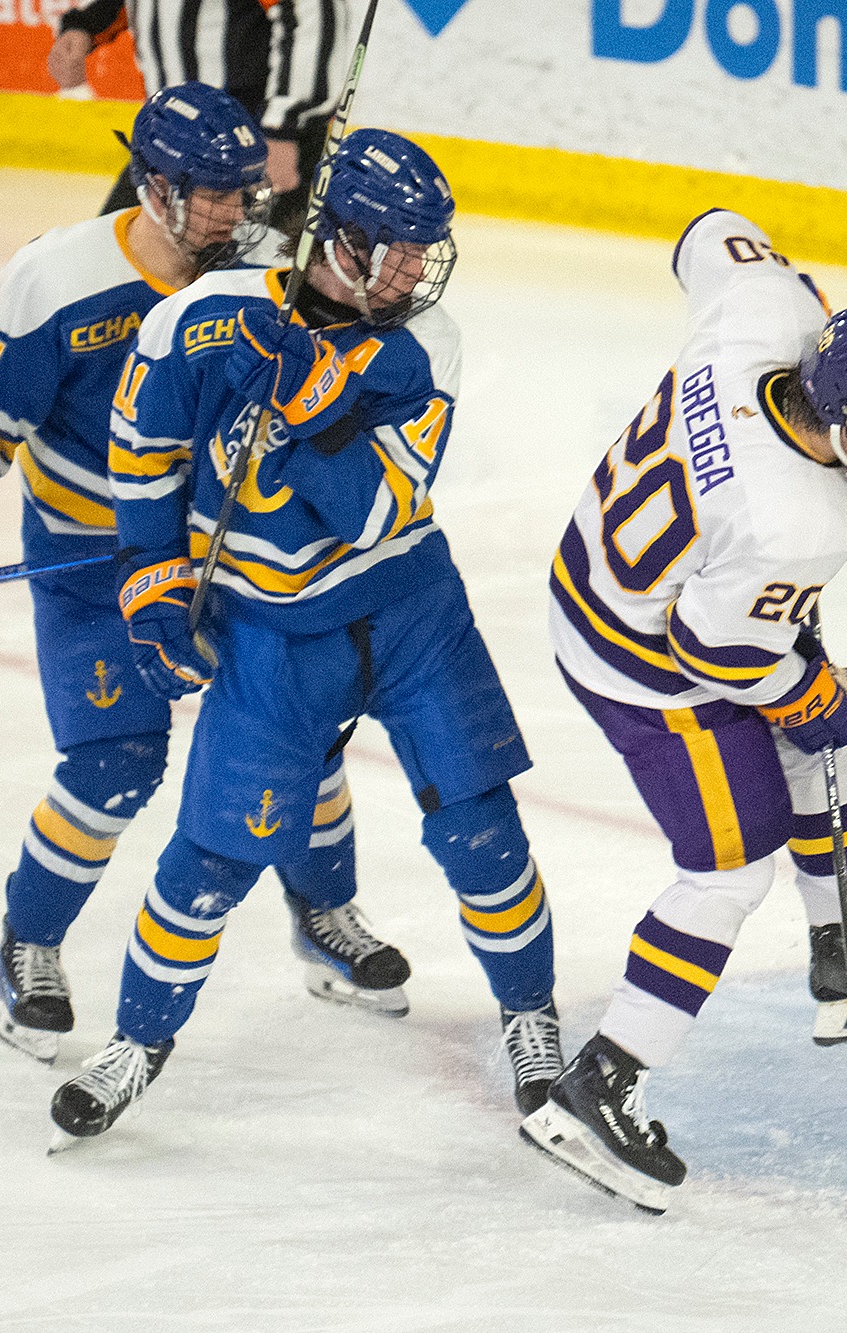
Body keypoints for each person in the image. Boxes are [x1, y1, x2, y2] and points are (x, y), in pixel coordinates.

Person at [0, 84, 403, 1067]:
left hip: (224, 570)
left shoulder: (260, 281)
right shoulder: (57, 278)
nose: (240, 214)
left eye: (248, 193)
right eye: (216, 196)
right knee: (114, 767)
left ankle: (323, 915)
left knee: (306, 736)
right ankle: (31, 942)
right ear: (153, 188)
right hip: (92, 566)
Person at [48, 127, 561, 1144]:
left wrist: (307, 402)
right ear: (345, 238)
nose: (420, 269)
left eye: (426, 250)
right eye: (402, 248)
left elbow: (373, 508)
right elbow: (141, 457)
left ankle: (532, 1019)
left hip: (412, 616)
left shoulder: (427, 342)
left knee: (479, 825)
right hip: (273, 635)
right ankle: (136, 1044)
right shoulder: (205, 319)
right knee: (210, 856)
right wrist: (153, 589)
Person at [521, 208, 847, 1214]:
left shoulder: (762, 314)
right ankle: (603, 1079)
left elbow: (706, 230)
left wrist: (813, 699)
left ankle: (842, 945)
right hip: (637, 653)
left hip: (625, 569)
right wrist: (803, 692)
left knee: (825, 740)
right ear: (846, 412)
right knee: (732, 860)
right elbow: (714, 650)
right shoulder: (800, 518)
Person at [49, 0, 353, 226]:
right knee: (119, 263)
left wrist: (284, 126)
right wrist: (87, 26)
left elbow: (310, 13)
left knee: (250, 286)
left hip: (250, 141)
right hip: (169, 140)